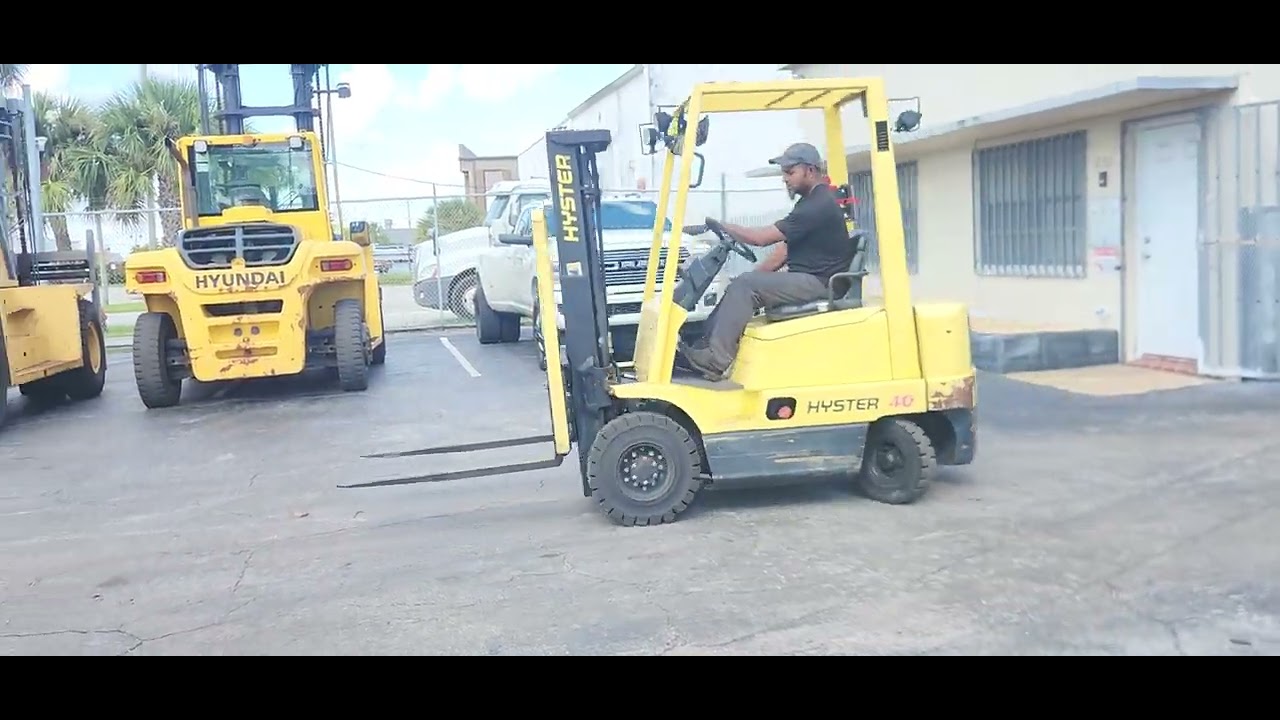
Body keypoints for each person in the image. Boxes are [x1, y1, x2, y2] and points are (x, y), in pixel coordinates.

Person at [678, 142, 854, 380]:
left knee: (746, 285)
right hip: (811, 278)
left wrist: (722, 226)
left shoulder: (818, 205)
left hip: (820, 284)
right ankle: (702, 344)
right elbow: (783, 251)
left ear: (810, 171)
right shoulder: (811, 202)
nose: (785, 179)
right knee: (742, 284)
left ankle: (715, 360)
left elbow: (761, 239)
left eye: (790, 172)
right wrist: (752, 277)